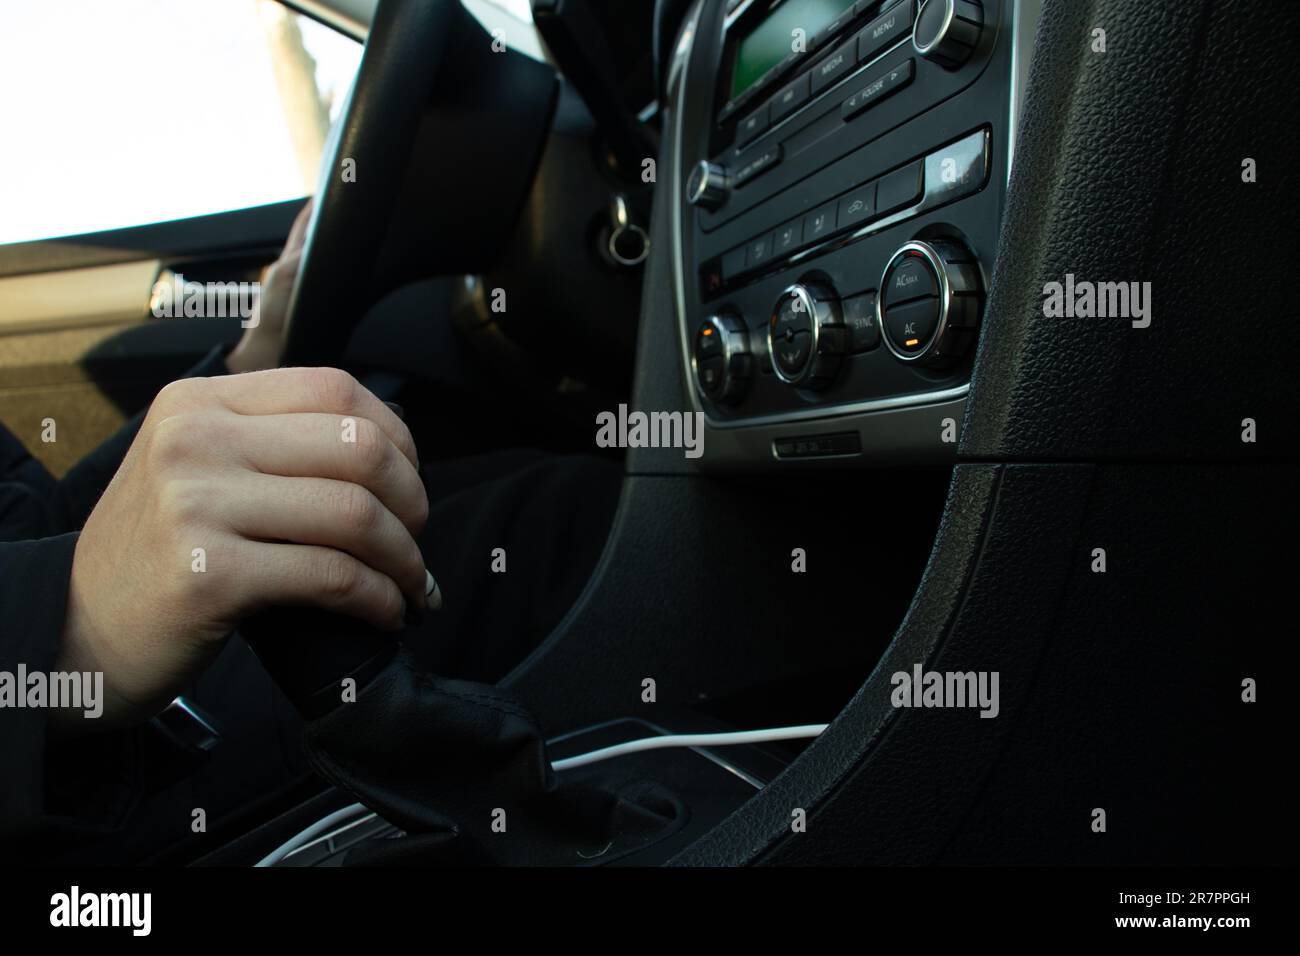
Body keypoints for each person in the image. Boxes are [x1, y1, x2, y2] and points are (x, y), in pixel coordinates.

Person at [0, 202, 622, 863]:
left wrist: (248, 359)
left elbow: (38, 517)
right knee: (559, 522)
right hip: (73, 753)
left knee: (498, 490)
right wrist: (70, 630)